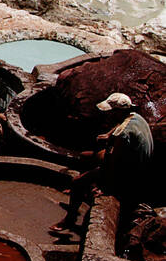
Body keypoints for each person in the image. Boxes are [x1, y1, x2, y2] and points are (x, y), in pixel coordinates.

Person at [55, 93, 155, 235]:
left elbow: (112, 163)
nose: (108, 115)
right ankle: (81, 193)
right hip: (134, 162)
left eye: (111, 112)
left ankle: (69, 219)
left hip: (128, 173)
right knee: (84, 156)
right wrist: (109, 135)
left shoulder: (123, 134)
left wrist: (104, 186)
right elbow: (120, 126)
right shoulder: (135, 117)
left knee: (77, 182)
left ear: (117, 112)